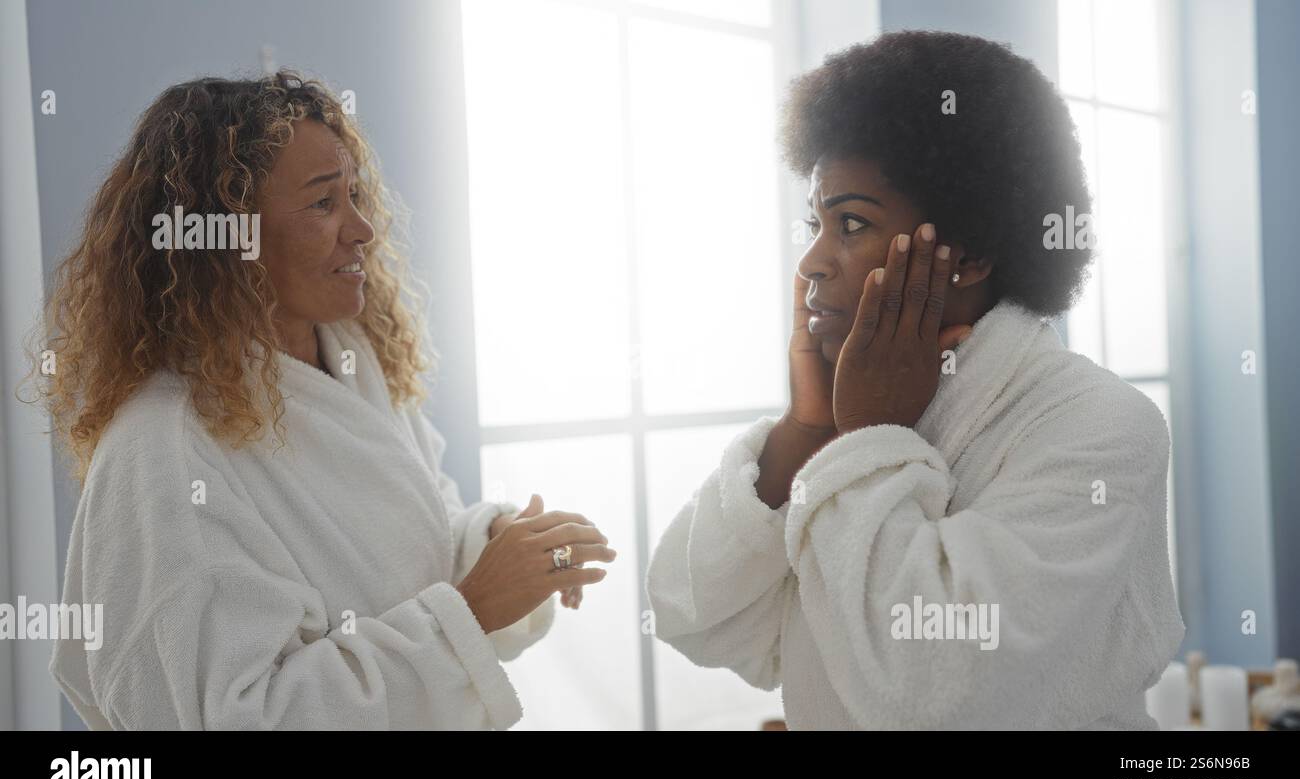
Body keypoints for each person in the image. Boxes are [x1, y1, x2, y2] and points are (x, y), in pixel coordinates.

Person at [36, 71, 615, 730]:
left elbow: (416, 546)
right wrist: (471, 610)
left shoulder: (351, 361)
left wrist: (503, 546)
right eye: (323, 204)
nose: (363, 229)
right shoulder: (162, 448)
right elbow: (240, 716)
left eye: (357, 195)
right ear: (230, 237)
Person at [646, 31, 1184, 729]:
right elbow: (691, 615)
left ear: (970, 250)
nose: (810, 260)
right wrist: (807, 432)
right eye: (815, 221)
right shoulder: (840, 427)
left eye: (850, 222)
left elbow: (932, 689)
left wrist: (872, 436)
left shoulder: (1102, 428)